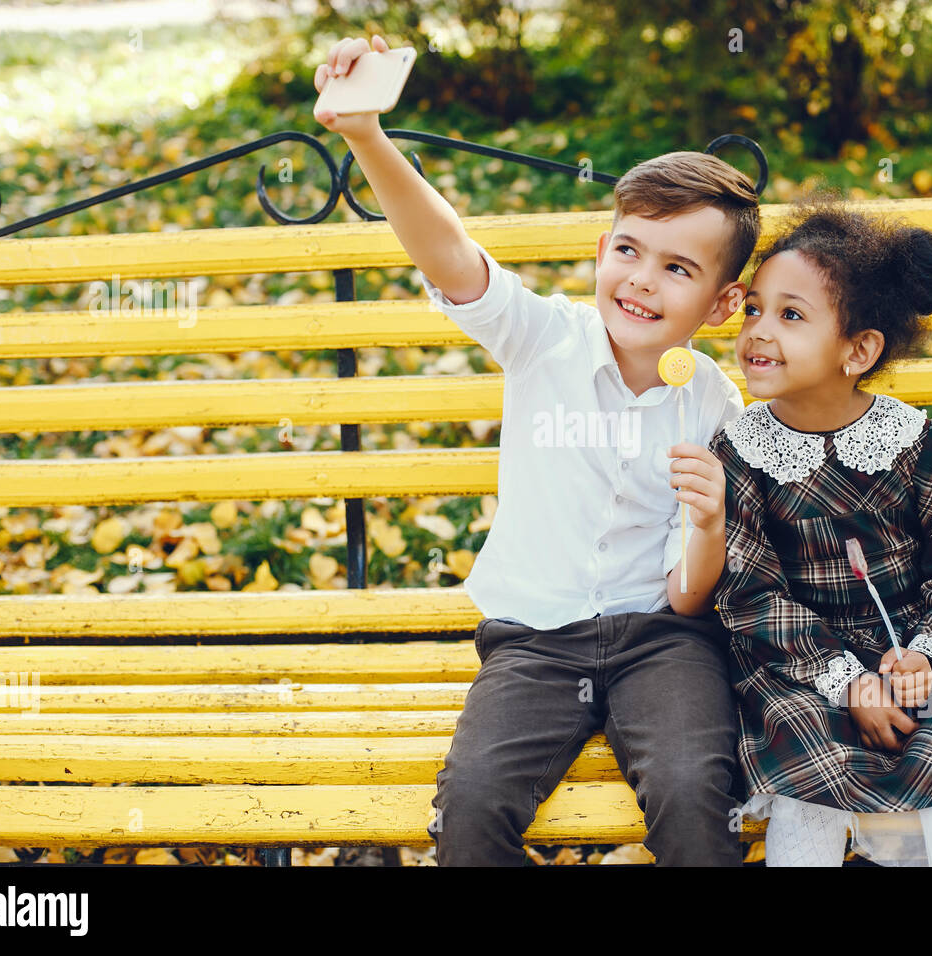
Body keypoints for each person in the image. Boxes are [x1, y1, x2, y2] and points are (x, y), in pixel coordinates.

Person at [315, 35, 760, 865]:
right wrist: (366, 135)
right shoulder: (541, 338)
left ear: (724, 302)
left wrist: (709, 526)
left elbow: (689, 597)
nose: (640, 279)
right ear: (601, 251)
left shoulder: (712, 403)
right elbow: (447, 254)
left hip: (661, 640)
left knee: (697, 788)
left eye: (676, 268)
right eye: (628, 250)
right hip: (533, 640)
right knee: (472, 805)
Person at [684, 193, 932, 866]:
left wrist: (923, 654)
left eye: (791, 315)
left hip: (919, 644)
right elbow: (752, 595)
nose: (757, 331)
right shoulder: (740, 451)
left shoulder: (916, 442)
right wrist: (846, 680)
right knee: (805, 752)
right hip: (803, 663)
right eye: (754, 310)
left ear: (858, 349)